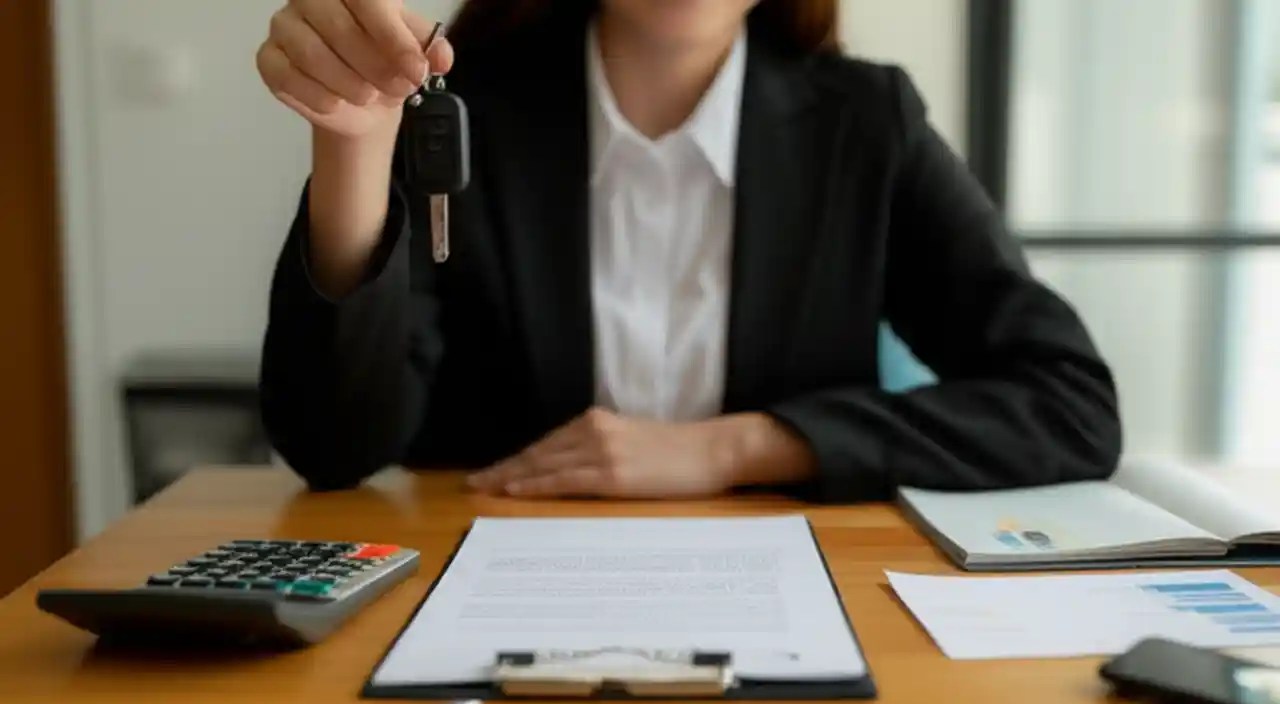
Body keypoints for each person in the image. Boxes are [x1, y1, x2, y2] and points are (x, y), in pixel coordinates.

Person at [256, 0, 1123, 501]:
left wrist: (739, 447)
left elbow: (1069, 404)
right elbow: (334, 451)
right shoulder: (466, 109)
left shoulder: (865, 125)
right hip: (488, 599)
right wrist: (354, 148)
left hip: (798, 605)